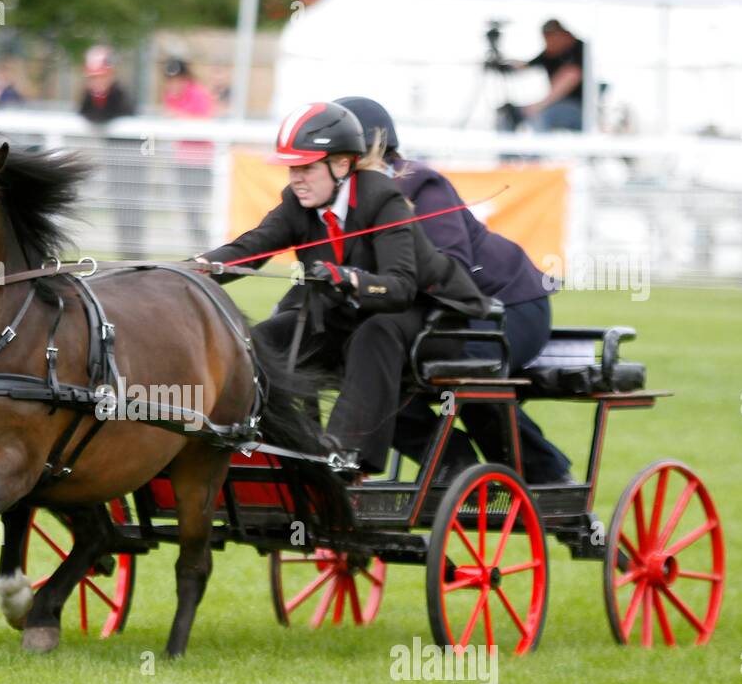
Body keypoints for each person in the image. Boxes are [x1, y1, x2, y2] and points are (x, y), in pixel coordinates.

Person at [195, 102, 488, 476]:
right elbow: (252, 248)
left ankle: (345, 453)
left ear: (342, 164)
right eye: (291, 168)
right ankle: (265, 443)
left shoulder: (383, 199)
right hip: (352, 315)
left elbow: (399, 288)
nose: (296, 178)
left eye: (307, 167)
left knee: (375, 333)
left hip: (432, 315)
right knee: (263, 343)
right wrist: (194, 270)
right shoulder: (296, 201)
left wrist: (351, 279)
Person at [335, 96, 573, 483]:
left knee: (464, 376)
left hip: (506, 303)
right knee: (370, 370)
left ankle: (546, 476)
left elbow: (451, 265)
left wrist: (376, 287)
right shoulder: (340, 198)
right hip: (434, 312)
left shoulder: (421, 184)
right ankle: (450, 459)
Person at [77, 45, 143, 258]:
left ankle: (133, 252)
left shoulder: (121, 95)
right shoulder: (89, 96)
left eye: (101, 76)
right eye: (93, 77)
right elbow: (85, 113)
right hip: (113, 158)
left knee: (131, 207)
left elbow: (109, 116)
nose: (97, 82)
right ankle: (125, 251)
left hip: (131, 160)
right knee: (118, 206)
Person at [161, 57, 214, 250]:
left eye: (177, 79)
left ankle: (206, 245)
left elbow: (205, 123)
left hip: (200, 163)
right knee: (189, 210)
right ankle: (200, 246)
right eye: (170, 79)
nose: (173, 84)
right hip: (181, 161)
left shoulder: (198, 94)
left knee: (197, 209)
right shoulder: (170, 96)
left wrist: (179, 117)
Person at [498, 19, 585, 132]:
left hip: (579, 107)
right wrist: (505, 63)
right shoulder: (551, 53)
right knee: (508, 114)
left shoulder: (579, 49)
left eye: (549, 38)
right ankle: (508, 149)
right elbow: (525, 66)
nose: (547, 43)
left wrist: (540, 105)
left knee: (540, 116)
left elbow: (572, 75)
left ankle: (539, 150)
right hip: (554, 104)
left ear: (562, 35)